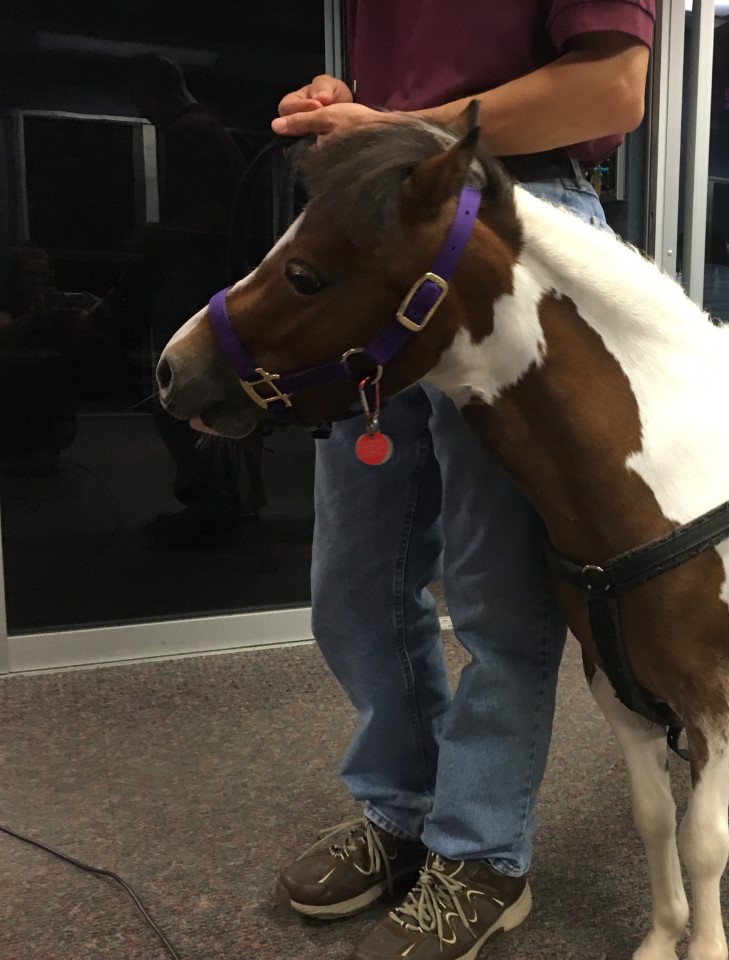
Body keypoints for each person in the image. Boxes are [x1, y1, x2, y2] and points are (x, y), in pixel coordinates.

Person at [268, 6, 654, 960]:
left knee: (495, 589)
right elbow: (427, 87)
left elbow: (610, 88)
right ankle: (399, 812)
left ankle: (482, 852)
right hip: (383, 220)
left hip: (513, 226)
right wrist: (347, 112)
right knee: (356, 582)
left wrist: (401, 129)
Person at [126, 54, 261, 546]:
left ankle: (209, 503)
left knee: (177, 391)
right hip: (214, 277)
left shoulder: (188, 135)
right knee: (220, 388)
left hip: (192, 277)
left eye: (138, 97)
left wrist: (155, 235)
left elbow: (211, 214)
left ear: (155, 89)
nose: (139, 111)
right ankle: (235, 497)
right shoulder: (212, 130)